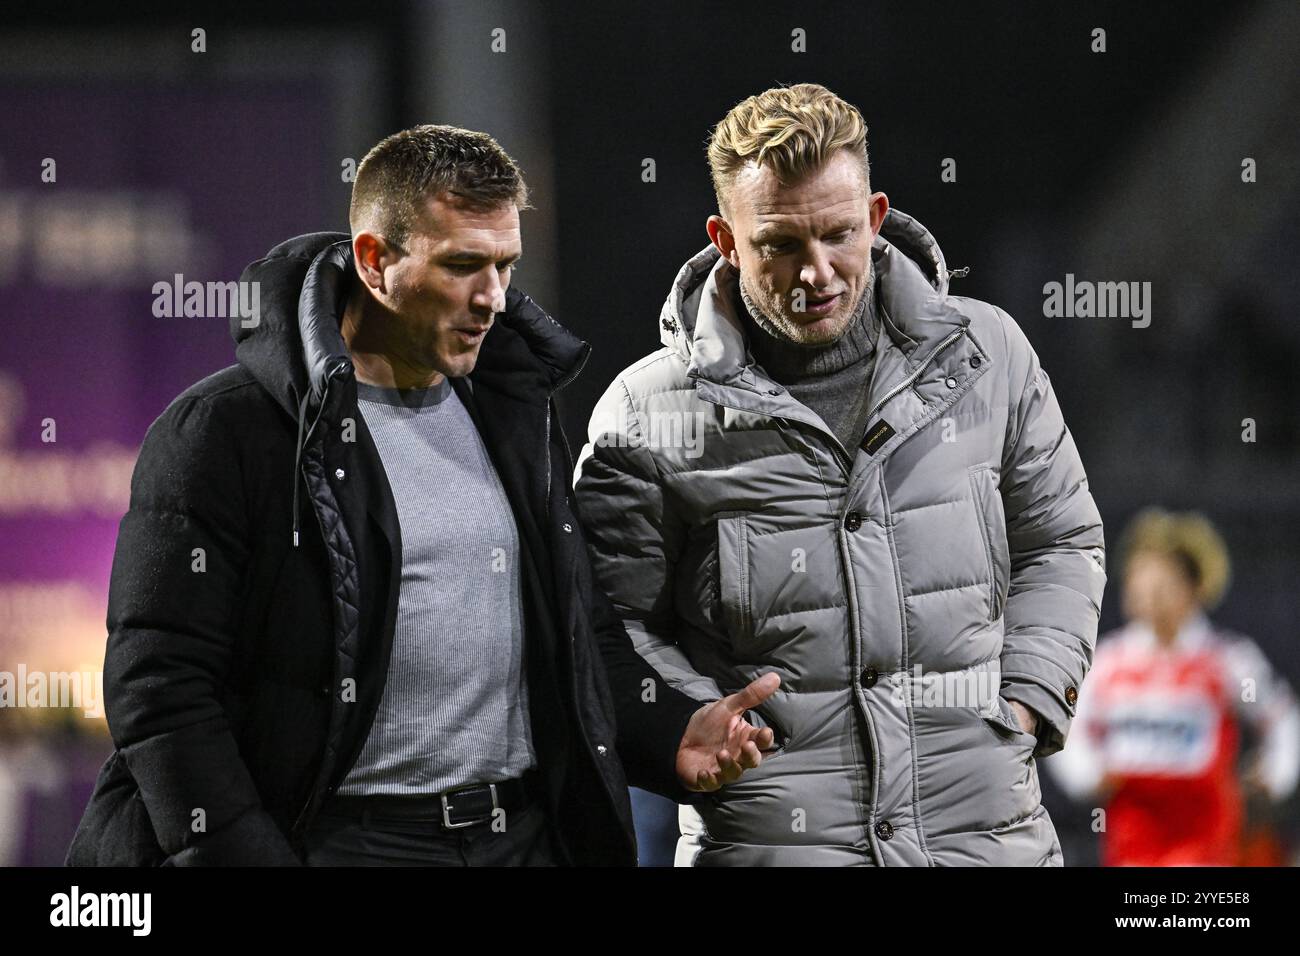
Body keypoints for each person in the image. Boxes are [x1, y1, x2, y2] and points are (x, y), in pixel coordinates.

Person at [65, 124, 776, 867]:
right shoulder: (224, 432)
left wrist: (671, 733)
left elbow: (578, 635)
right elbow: (162, 691)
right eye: (464, 265)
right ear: (374, 261)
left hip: (519, 838)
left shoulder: (513, 411)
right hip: (342, 845)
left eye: (505, 265)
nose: (493, 299)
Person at [573, 83, 1106, 865]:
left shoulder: (990, 356)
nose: (816, 272)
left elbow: (1062, 542)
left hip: (989, 840)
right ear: (725, 238)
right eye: (781, 244)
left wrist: (1028, 697)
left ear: (877, 217)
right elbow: (604, 628)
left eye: (838, 234)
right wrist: (684, 721)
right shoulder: (647, 412)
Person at [1049, 508, 1300, 866]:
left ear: (1192, 586)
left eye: (1161, 580)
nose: (1147, 590)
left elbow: (1282, 716)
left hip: (1205, 838)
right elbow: (1067, 726)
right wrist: (1086, 774)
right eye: (1139, 576)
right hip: (1131, 838)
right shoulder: (1109, 662)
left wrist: (1275, 774)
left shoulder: (1226, 659)